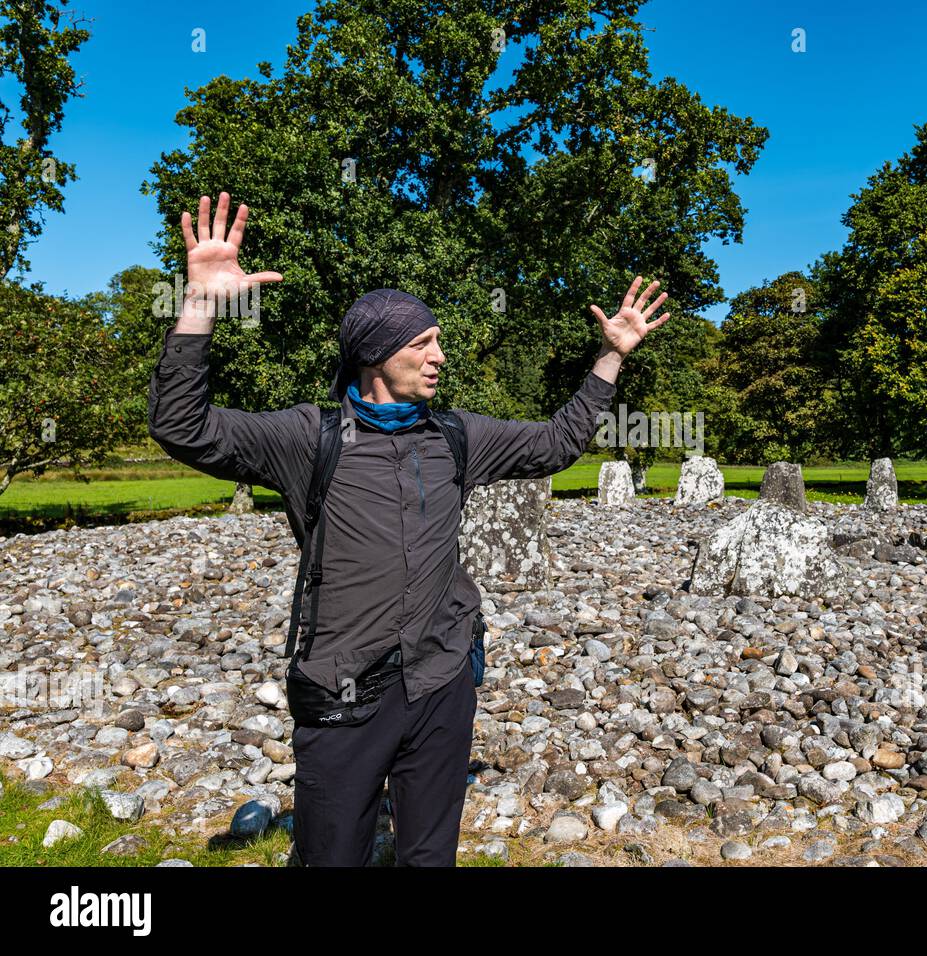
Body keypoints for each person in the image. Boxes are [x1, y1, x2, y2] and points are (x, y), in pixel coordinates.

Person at [148, 191, 671, 866]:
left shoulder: (455, 435)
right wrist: (201, 305)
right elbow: (181, 426)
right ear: (375, 354)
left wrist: (611, 358)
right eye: (422, 343)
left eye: (438, 342)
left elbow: (555, 445)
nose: (438, 357)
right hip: (343, 695)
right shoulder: (306, 437)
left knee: (428, 858)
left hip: (441, 683)